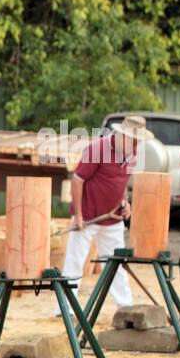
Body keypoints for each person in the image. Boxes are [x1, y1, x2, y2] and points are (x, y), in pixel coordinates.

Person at [57, 115, 153, 315]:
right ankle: (65, 308)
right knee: (75, 261)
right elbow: (77, 180)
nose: (135, 145)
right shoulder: (97, 149)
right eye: (133, 140)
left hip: (112, 218)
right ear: (121, 136)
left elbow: (121, 184)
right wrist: (79, 216)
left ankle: (125, 305)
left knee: (116, 262)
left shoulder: (133, 154)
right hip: (88, 217)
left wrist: (125, 203)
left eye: (138, 141)